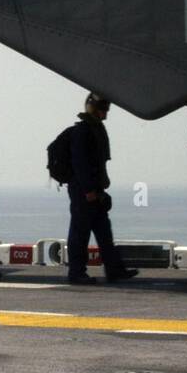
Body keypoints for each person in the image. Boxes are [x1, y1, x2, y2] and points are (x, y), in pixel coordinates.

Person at [65, 93, 137, 285]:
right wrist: (88, 190)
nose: (104, 114)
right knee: (80, 232)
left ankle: (114, 270)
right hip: (84, 191)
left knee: (104, 231)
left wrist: (99, 189)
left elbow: (98, 163)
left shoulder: (96, 129)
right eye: (102, 109)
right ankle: (76, 272)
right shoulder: (83, 131)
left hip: (95, 189)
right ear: (92, 107)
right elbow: (80, 163)